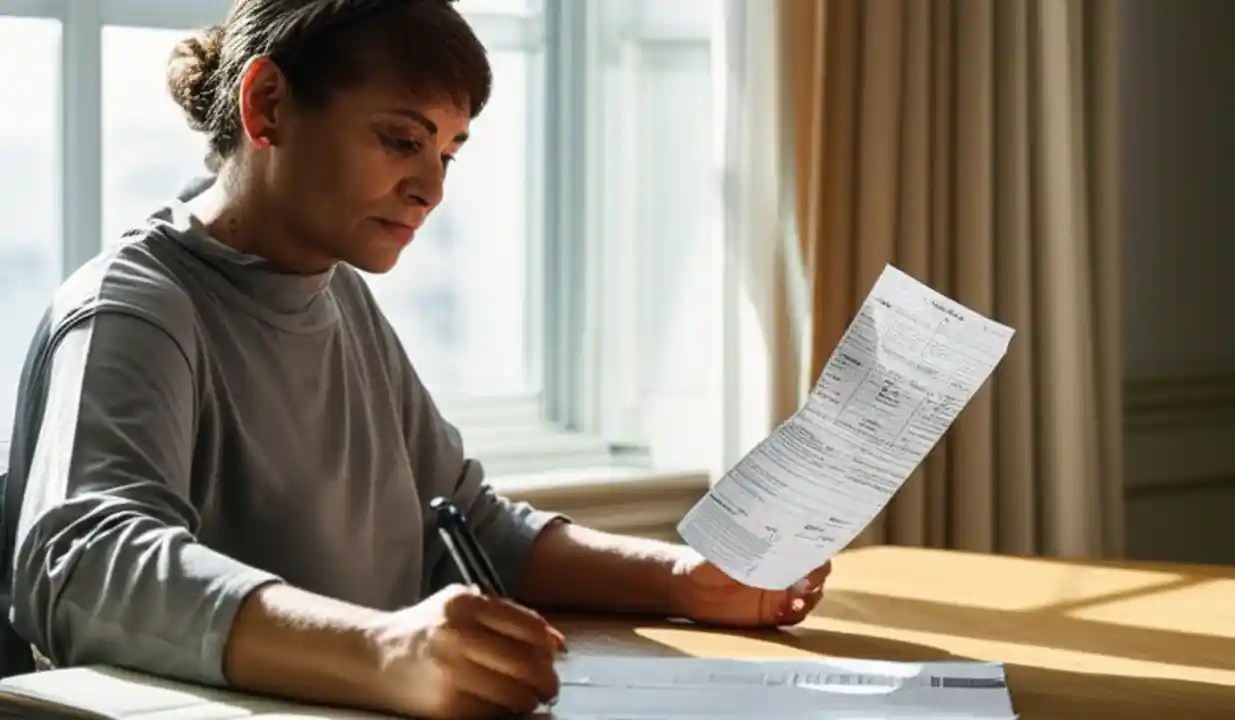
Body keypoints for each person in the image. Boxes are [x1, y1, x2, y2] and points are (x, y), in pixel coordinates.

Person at [1, 1, 830, 718]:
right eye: (402, 140)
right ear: (267, 106)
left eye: (449, 152)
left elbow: (471, 527)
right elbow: (82, 566)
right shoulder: (137, 307)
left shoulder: (340, 297)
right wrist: (386, 650)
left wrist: (685, 579)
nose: (431, 188)